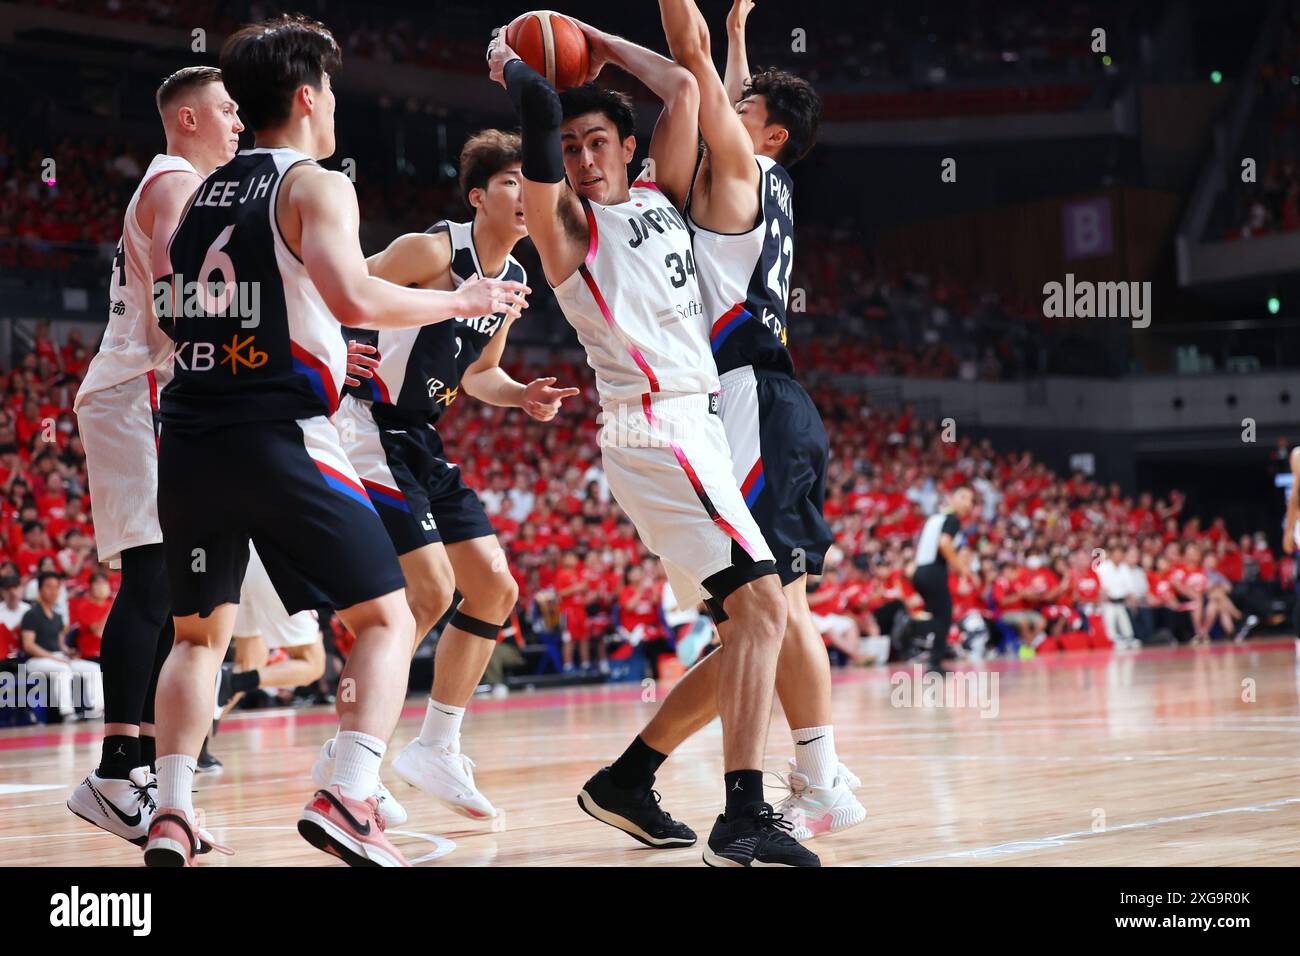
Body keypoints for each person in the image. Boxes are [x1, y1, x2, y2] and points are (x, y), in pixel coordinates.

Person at [145, 14, 528, 868]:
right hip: (281, 432)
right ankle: (350, 791)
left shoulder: (199, 192)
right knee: (390, 615)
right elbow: (355, 294)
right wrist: (459, 303)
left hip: (191, 436)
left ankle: (170, 812)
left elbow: (180, 312)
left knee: (198, 638)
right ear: (310, 97)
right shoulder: (316, 184)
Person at [489, 17, 815, 866]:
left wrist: (592, 40)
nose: (583, 159)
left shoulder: (659, 198)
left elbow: (682, 87)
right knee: (766, 604)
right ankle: (743, 817)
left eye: (598, 142)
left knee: (749, 627)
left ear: (629, 149)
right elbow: (533, 126)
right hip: (651, 423)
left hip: (697, 424)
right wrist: (515, 62)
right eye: (570, 147)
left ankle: (629, 779)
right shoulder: (562, 226)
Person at [577, 0, 863, 845]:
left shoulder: (738, 171)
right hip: (765, 397)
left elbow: (685, 58)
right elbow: (720, 82)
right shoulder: (760, 177)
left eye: (742, 113)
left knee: (774, 610)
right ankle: (630, 778)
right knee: (750, 623)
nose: (724, 113)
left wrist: (606, 43)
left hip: (740, 400)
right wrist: (740, 39)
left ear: (765, 137)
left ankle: (817, 775)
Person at [315, 128, 572, 822]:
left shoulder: (515, 281)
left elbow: (479, 372)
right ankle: (346, 758)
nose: (526, 195)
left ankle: (437, 747)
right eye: (512, 182)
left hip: (421, 438)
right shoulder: (430, 250)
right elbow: (333, 288)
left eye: (533, 183)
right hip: (367, 423)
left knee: (494, 587)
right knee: (428, 589)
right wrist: (337, 350)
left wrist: (520, 394)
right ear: (478, 196)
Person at [66, 65, 243, 847]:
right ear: (188, 119)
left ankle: (133, 769)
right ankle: (112, 772)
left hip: (145, 385)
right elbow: (175, 302)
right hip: (139, 383)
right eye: (227, 110)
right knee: (150, 580)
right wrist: (255, 338)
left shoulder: (181, 184)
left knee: (168, 586)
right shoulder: (175, 179)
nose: (239, 121)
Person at [21, 572, 102, 721]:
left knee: (93, 668)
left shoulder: (58, 616)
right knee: (63, 669)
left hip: (57, 657)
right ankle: (67, 713)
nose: (53, 591)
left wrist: (69, 652)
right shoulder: (31, 614)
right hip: (35, 661)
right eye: (49, 587)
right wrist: (54, 657)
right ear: (39, 590)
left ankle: (97, 710)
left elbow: (60, 644)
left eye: (56, 587)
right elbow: (29, 645)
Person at [911, 487, 975, 673]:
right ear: (951, 498)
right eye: (963, 497)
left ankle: (915, 634)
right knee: (944, 616)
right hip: (934, 571)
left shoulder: (934, 518)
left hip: (919, 571)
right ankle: (934, 664)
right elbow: (945, 544)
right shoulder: (952, 519)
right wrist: (961, 568)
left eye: (971, 500)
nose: (967, 503)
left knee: (936, 614)